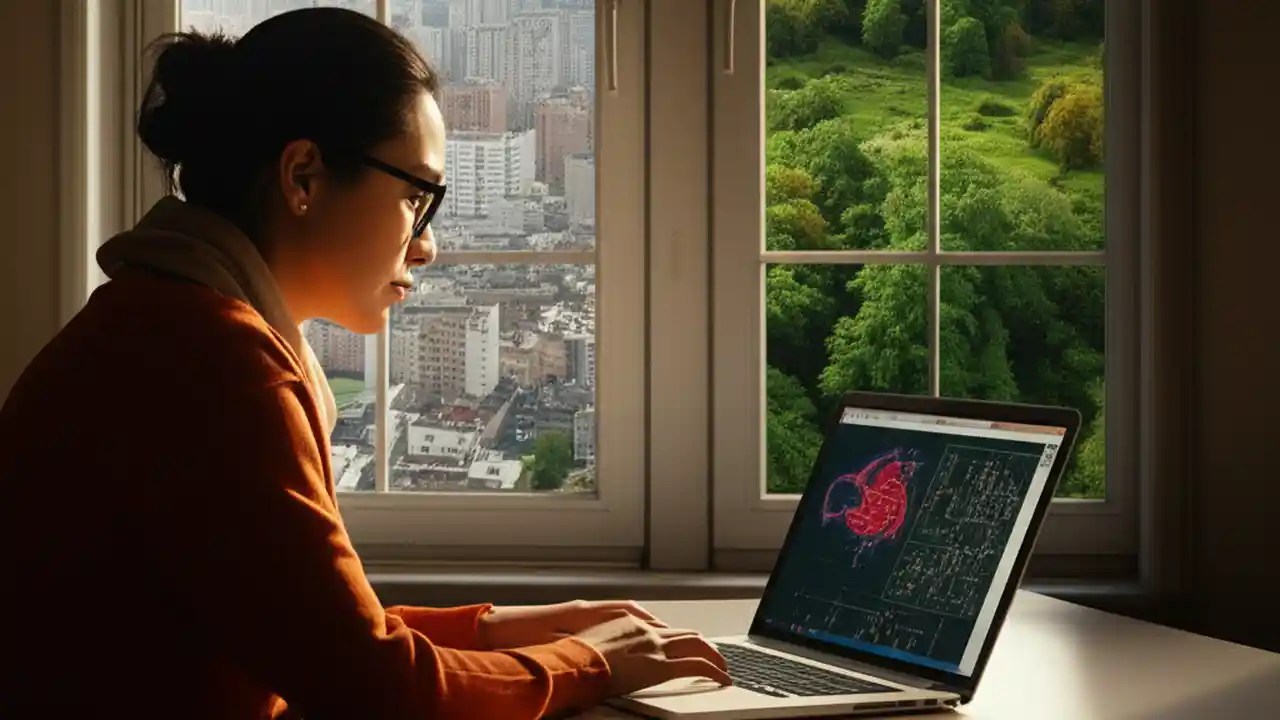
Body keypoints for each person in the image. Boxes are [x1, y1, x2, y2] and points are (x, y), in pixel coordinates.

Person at [0, 8, 729, 719]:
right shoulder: (218, 367)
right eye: (416, 196)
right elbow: (373, 687)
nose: (426, 244)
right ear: (304, 177)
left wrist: (503, 629)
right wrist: (587, 664)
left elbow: (308, 634)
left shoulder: (164, 323)